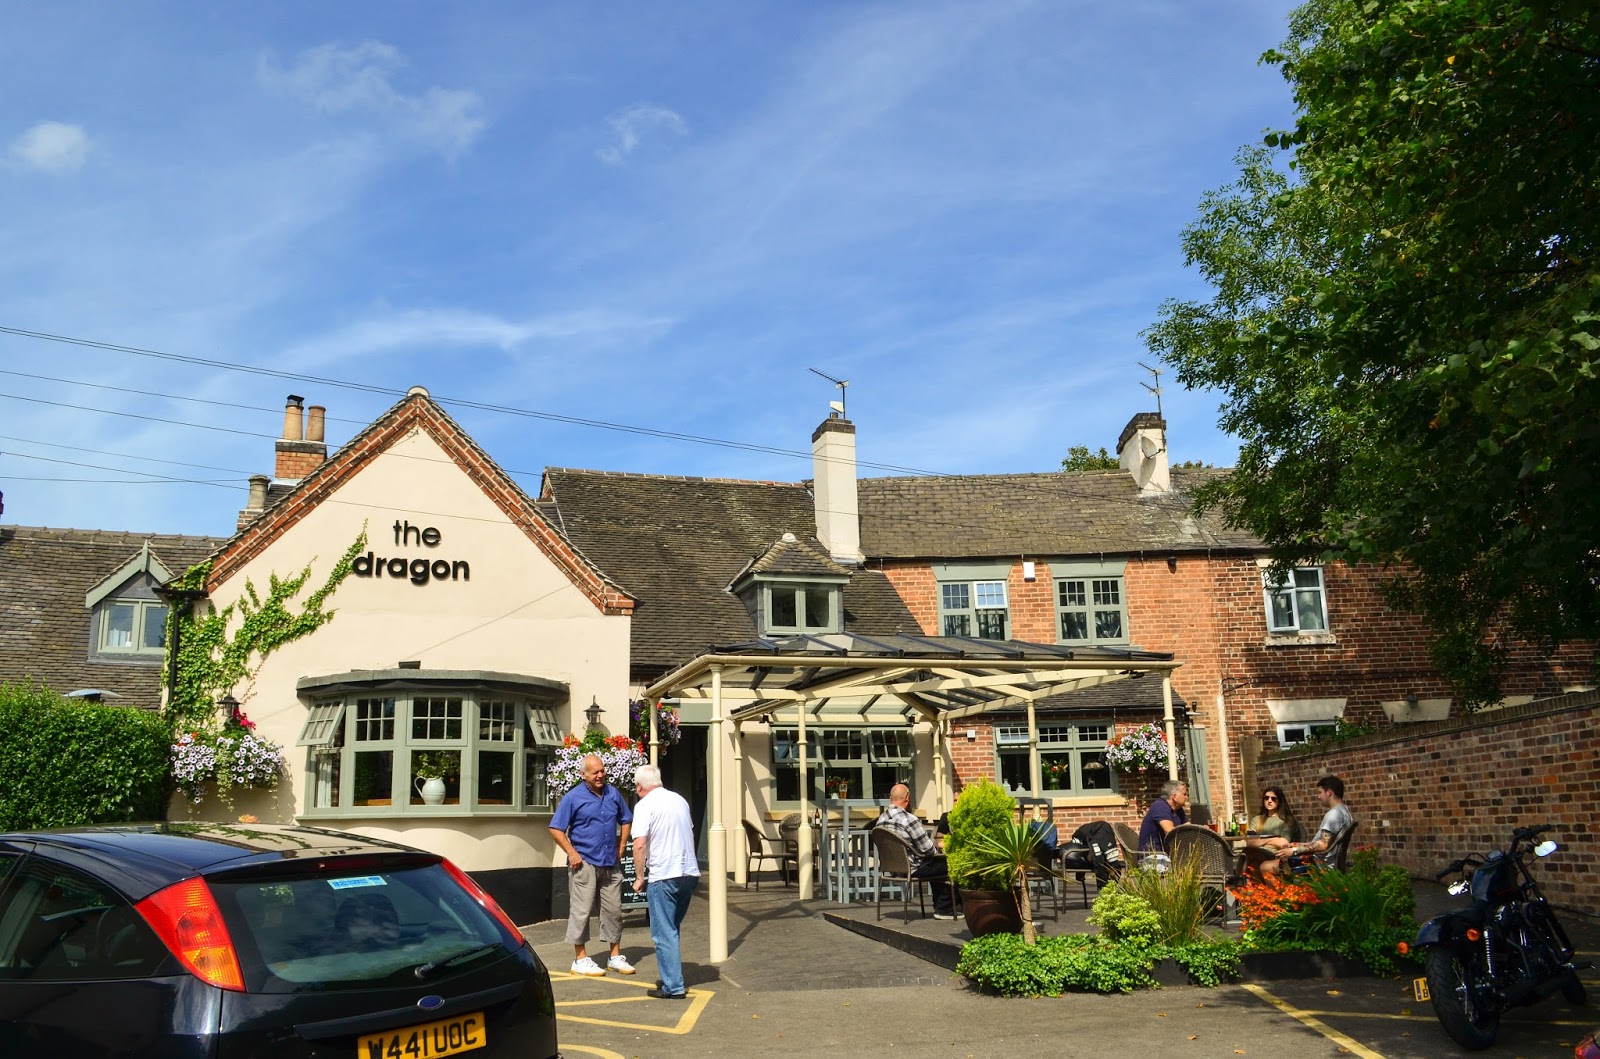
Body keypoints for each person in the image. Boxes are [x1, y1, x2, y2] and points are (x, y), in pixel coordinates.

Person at [549, 753, 633, 978]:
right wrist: (572, 853)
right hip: (584, 863)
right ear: (583, 775)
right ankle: (580, 959)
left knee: (614, 911)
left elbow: (626, 819)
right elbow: (556, 828)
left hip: (610, 862)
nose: (600, 775)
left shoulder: (613, 793)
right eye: (595, 772)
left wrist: (622, 845)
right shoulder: (573, 797)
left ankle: (615, 956)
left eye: (602, 770)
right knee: (581, 911)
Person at [630, 763, 700, 1000]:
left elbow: (639, 844)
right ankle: (671, 976)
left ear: (639, 786)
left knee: (663, 933)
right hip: (689, 873)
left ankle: (673, 986)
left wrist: (640, 877)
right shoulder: (679, 800)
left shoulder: (644, 805)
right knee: (671, 928)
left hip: (664, 874)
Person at [872, 783, 956, 919]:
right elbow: (929, 849)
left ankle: (943, 908)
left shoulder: (880, 820)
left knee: (935, 864)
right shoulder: (909, 819)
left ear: (890, 798)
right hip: (913, 868)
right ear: (907, 798)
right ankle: (944, 909)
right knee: (949, 862)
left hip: (892, 869)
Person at [1270, 775, 1353, 870]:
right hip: (1328, 863)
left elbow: (1322, 845)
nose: (1318, 797)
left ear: (1329, 792)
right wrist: (1296, 845)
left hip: (1319, 865)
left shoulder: (1333, 815)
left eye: (1320, 792)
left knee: (1266, 867)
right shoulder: (1344, 811)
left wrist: (1294, 851)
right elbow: (1323, 842)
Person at [1241, 785, 1301, 877]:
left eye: (1273, 799)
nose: (1269, 801)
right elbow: (1250, 843)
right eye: (1266, 798)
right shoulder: (1256, 819)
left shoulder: (1286, 821)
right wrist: (1274, 839)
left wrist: (1261, 841)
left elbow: (1283, 842)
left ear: (1280, 801)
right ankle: (1253, 886)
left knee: (1250, 854)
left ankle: (1243, 884)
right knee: (1248, 852)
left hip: (1273, 854)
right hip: (1255, 852)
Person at [1137, 779, 1189, 852]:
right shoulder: (1160, 807)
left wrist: (1201, 830)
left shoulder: (1177, 808)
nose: (1186, 797)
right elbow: (1171, 833)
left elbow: (1189, 828)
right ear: (1175, 796)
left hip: (1169, 853)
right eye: (1184, 794)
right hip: (1153, 855)